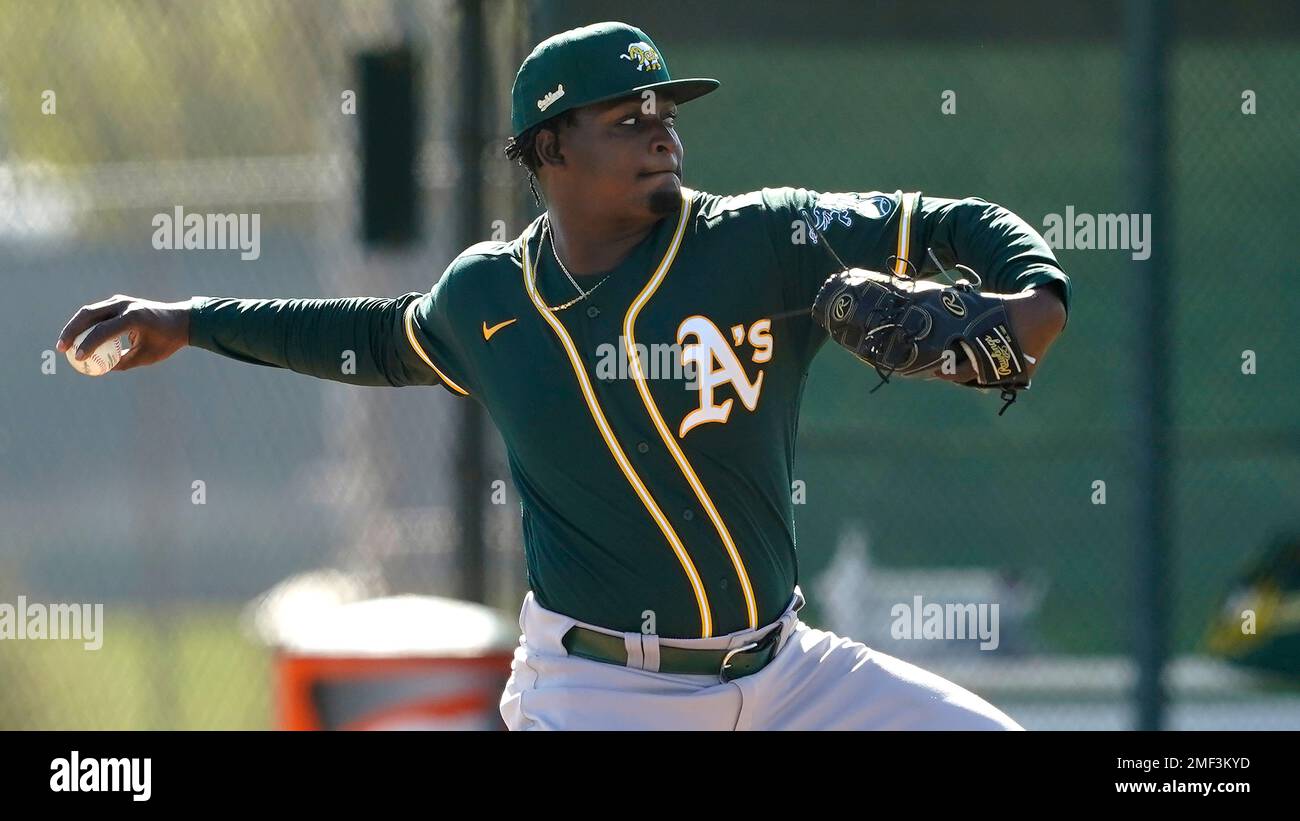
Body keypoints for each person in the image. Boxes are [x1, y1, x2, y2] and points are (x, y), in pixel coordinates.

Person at [57, 21, 1069, 730]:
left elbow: (952, 219)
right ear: (549, 148)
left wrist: (1031, 301)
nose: (662, 128)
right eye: (625, 116)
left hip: (789, 671)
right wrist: (189, 320)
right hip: (600, 695)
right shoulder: (490, 300)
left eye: (665, 109)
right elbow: (366, 336)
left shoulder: (766, 239)